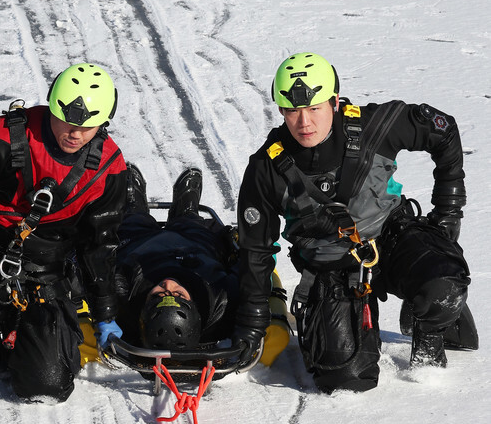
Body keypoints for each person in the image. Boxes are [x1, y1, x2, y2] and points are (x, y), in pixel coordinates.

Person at [234, 51, 474, 393]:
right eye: (293, 111)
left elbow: (443, 130)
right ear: (282, 111)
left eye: (315, 108)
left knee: (444, 283)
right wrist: (251, 325)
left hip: (392, 240)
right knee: (344, 379)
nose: (305, 123)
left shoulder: (374, 126)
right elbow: (255, 251)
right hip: (332, 266)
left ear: (334, 101)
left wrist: (447, 215)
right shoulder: (266, 167)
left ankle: (429, 332)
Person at [0, 62, 127, 402]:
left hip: (45, 266)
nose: (75, 133)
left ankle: (21, 323)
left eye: (87, 126)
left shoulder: (109, 168)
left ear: (103, 123)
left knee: (47, 386)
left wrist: (105, 314)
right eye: (67, 121)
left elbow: (99, 245)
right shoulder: (4, 135)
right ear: (51, 108)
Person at [114, 163, 289, 368]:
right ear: (195, 307)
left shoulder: (124, 301)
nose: (168, 286)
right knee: (190, 221)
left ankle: (133, 203)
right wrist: (252, 245)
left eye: (157, 295)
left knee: (132, 220)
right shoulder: (220, 301)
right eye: (179, 295)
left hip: (139, 243)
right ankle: (186, 206)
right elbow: (254, 269)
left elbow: (94, 275)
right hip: (194, 244)